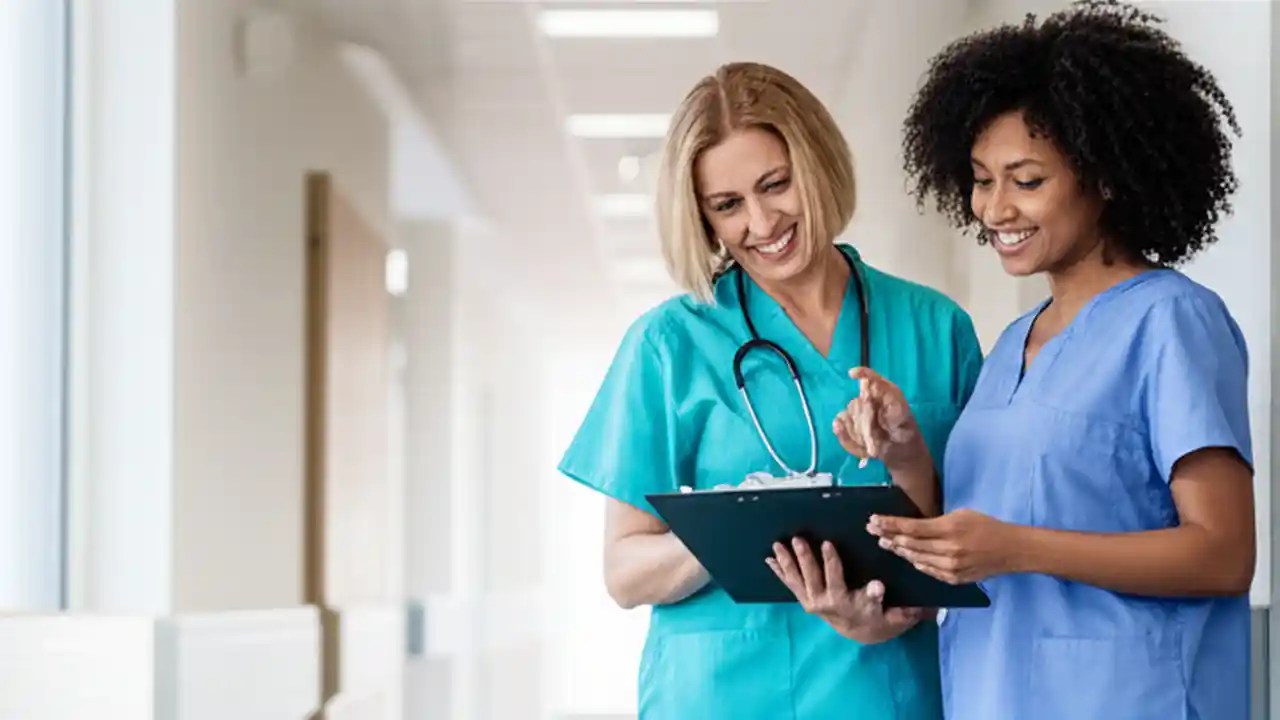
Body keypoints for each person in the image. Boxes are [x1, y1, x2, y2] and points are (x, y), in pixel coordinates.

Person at [814, 2, 1253, 718]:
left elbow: (1224, 553)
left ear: (1105, 177)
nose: (994, 210)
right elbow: (975, 539)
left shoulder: (1172, 320)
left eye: (1027, 181)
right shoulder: (1012, 346)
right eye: (982, 179)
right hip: (994, 695)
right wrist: (907, 455)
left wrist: (1018, 548)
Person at [557, 61, 982, 718]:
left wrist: (896, 608)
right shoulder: (670, 344)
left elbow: (973, 544)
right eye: (727, 205)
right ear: (703, 217)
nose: (761, 223)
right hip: (720, 696)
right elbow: (625, 573)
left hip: (882, 690)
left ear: (817, 166)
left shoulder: (935, 327)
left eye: (776, 185)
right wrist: (739, 524)